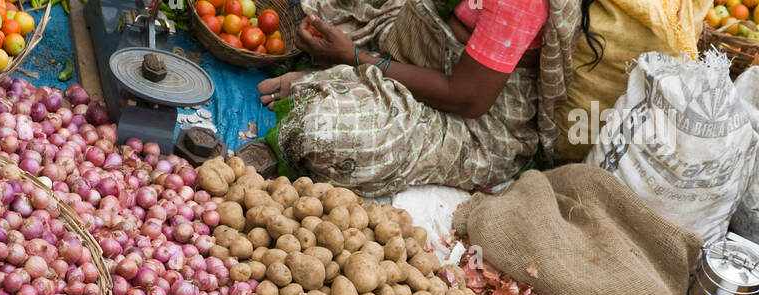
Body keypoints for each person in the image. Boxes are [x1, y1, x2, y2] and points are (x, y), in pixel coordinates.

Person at [257, 0, 599, 198]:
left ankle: (342, 80)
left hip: (476, 120)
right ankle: (351, 76)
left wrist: (354, 59)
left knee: (323, 135)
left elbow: (467, 98)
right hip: (421, 48)